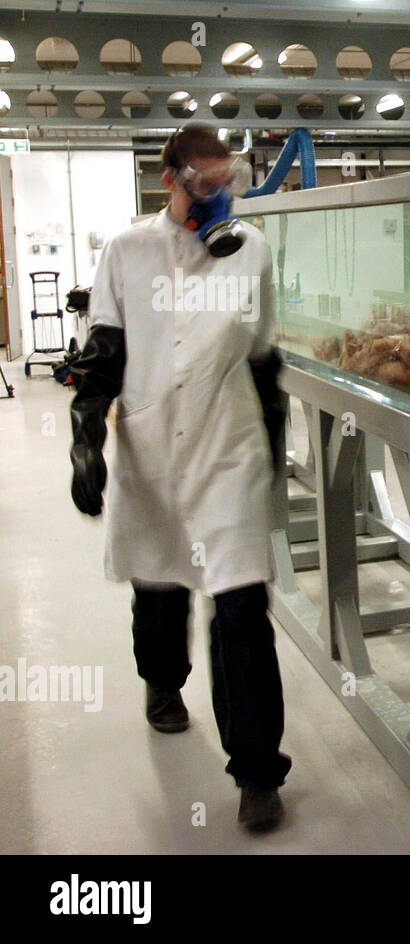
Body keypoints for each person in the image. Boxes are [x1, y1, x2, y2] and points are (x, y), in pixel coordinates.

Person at [68, 124, 291, 832]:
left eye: (229, 181)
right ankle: (162, 683)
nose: (220, 196)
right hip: (154, 449)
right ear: (168, 179)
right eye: (204, 185)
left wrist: (275, 459)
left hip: (229, 451)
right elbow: (101, 356)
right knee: (160, 588)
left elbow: (262, 362)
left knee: (240, 612)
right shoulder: (127, 251)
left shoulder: (251, 251)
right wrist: (84, 443)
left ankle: (257, 770)